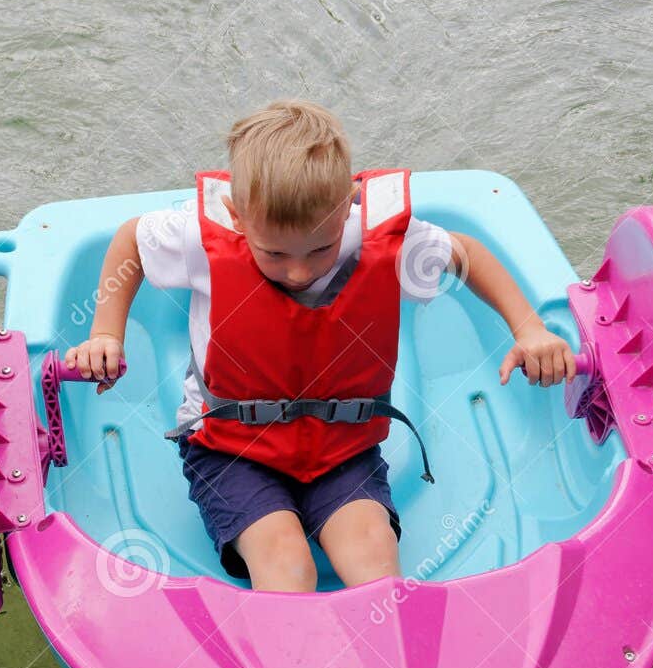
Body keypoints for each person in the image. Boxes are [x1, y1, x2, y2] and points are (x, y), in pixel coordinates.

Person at [64, 99, 572, 592]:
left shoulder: (372, 236)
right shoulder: (200, 239)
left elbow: (466, 253)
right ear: (237, 217)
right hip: (231, 451)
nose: (300, 269)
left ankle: (391, 666)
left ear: (347, 204)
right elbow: (132, 238)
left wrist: (528, 329)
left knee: (373, 556)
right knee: (288, 566)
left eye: (320, 248)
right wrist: (105, 332)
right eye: (276, 253)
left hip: (342, 449)